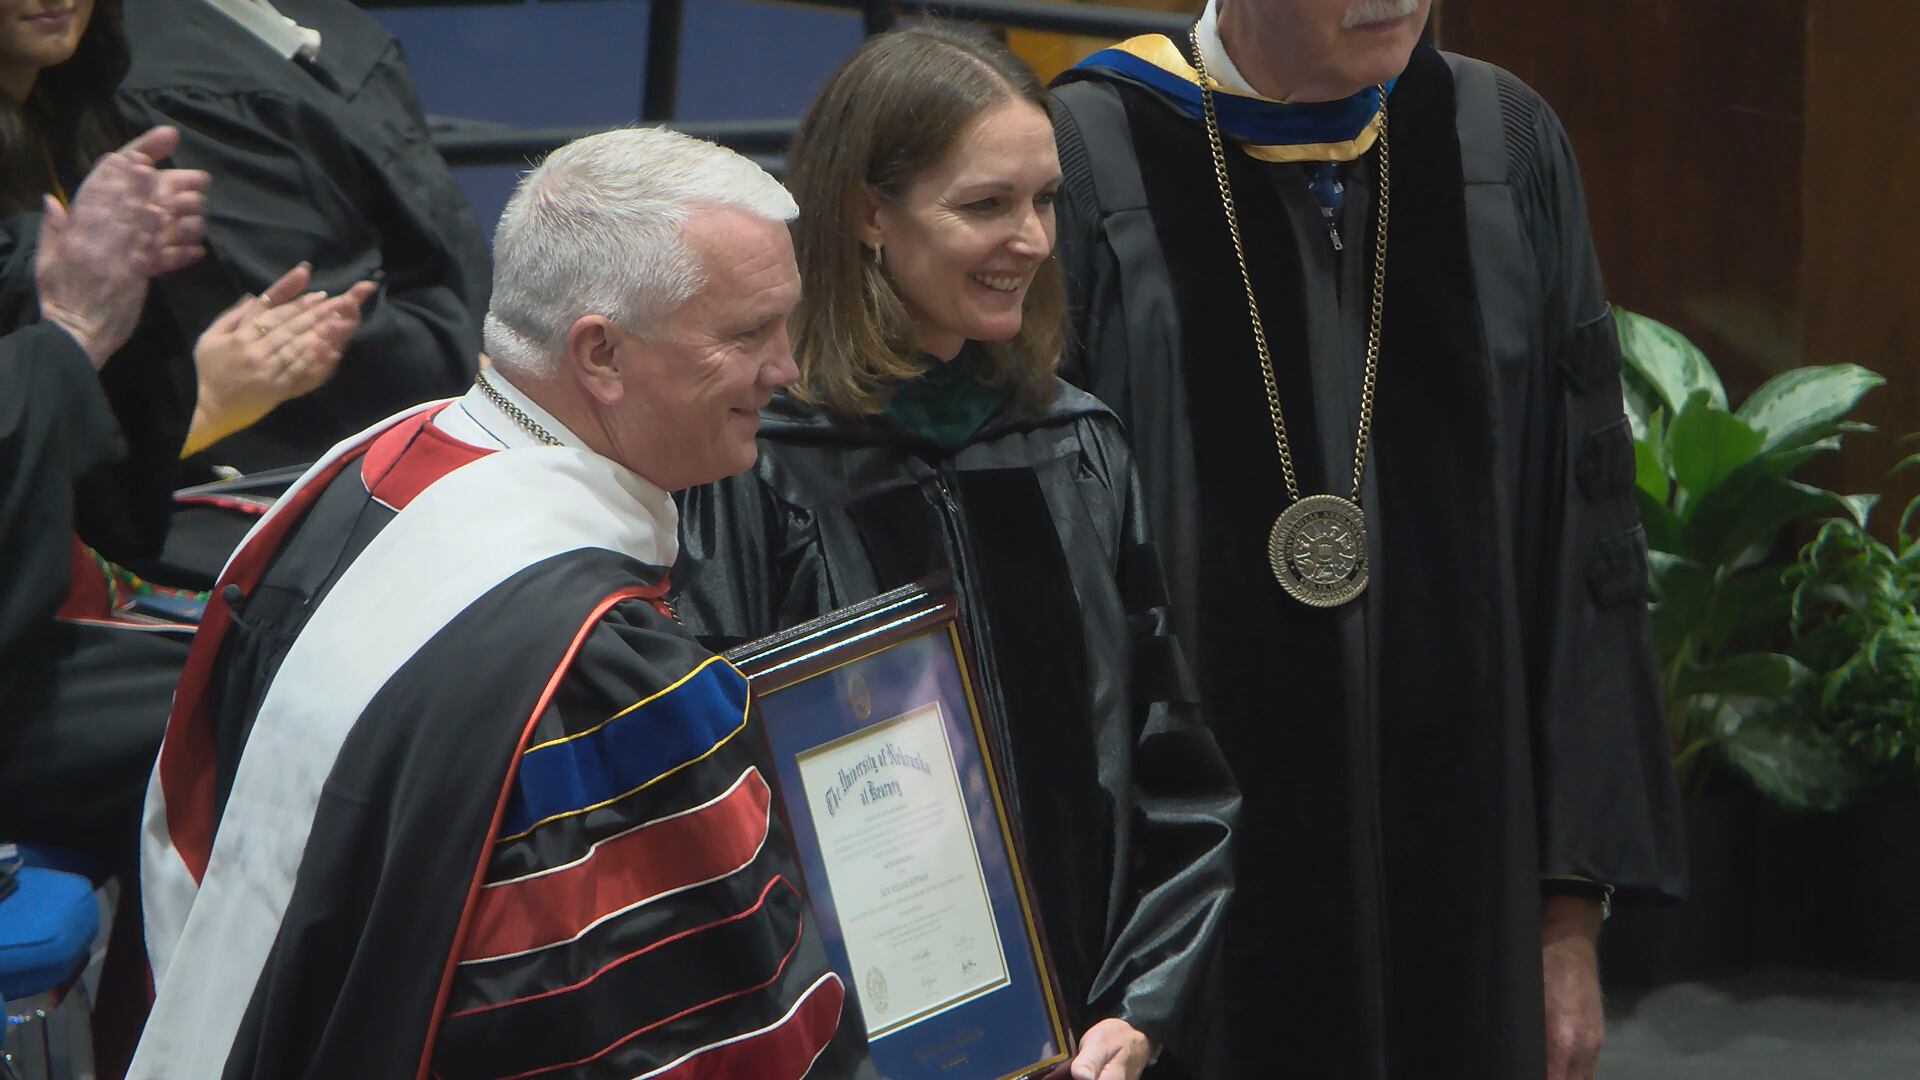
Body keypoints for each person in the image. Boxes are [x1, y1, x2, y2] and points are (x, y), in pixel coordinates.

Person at [135, 128, 875, 1080]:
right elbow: (708, 1039)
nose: (787, 370)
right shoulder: (605, 680)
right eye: (746, 336)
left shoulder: (351, 483)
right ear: (600, 354)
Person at [1047, 1, 1686, 1077]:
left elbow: (1580, 546)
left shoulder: (1501, 140)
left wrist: (1567, 922)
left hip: (1471, 906)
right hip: (1177, 936)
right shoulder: (1089, 155)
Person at [671, 25, 1239, 1080]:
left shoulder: (1073, 447)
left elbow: (1176, 768)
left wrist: (1144, 1006)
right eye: (985, 205)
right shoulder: (760, 470)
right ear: (868, 214)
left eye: (1045, 200)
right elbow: (719, 804)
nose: (1030, 237)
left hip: (1091, 1040)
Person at [119, 0, 492, 471]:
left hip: (467, 386)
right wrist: (491, 379)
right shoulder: (174, 79)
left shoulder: (327, 23)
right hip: (340, 463)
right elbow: (324, 322)